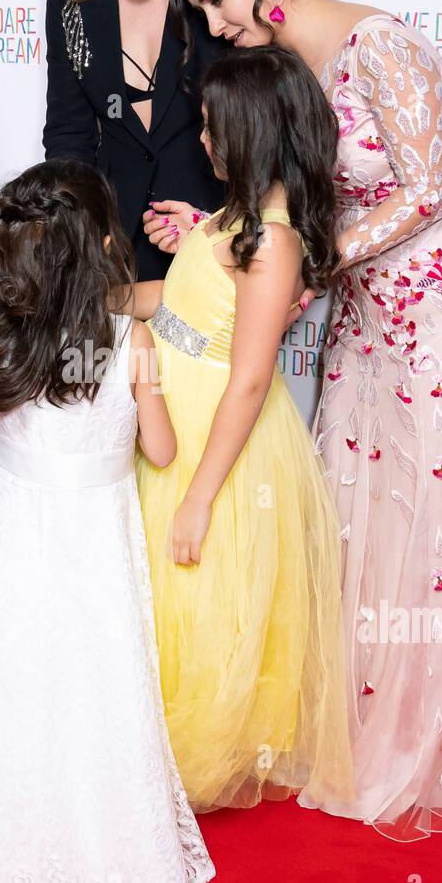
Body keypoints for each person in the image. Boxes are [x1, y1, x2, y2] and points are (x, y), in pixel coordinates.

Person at [153, 0, 442, 839]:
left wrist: (300, 260)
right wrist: (229, 239)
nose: (212, 23)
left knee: (438, 521)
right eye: (200, 9)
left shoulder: (381, 47)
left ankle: (423, 747)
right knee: (358, 506)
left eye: (214, 2)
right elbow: (286, 205)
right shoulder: (285, 69)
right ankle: (356, 727)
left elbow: (429, 192)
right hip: (366, 310)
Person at [0, 161, 215, 883]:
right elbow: (163, 452)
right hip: (95, 547)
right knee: (93, 675)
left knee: (9, 672)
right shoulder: (131, 337)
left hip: (13, 537)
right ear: (105, 244)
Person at [133, 47, 354, 815]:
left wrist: (198, 495)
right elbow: (180, 298)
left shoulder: (275, 238)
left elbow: (252, 377)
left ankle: (192, 742)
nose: (200, 138)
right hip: (171, 408)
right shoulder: (230, 216)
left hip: (215, 440)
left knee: (198, 584)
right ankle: (140, 728)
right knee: (157, 589)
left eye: (210, 125)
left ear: (251, 131)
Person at [42, 0, 226, 280]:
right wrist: (80, 232)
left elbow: (258, 124)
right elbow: (69, 134)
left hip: (209, 240)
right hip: (111, 250)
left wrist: (219, 229)